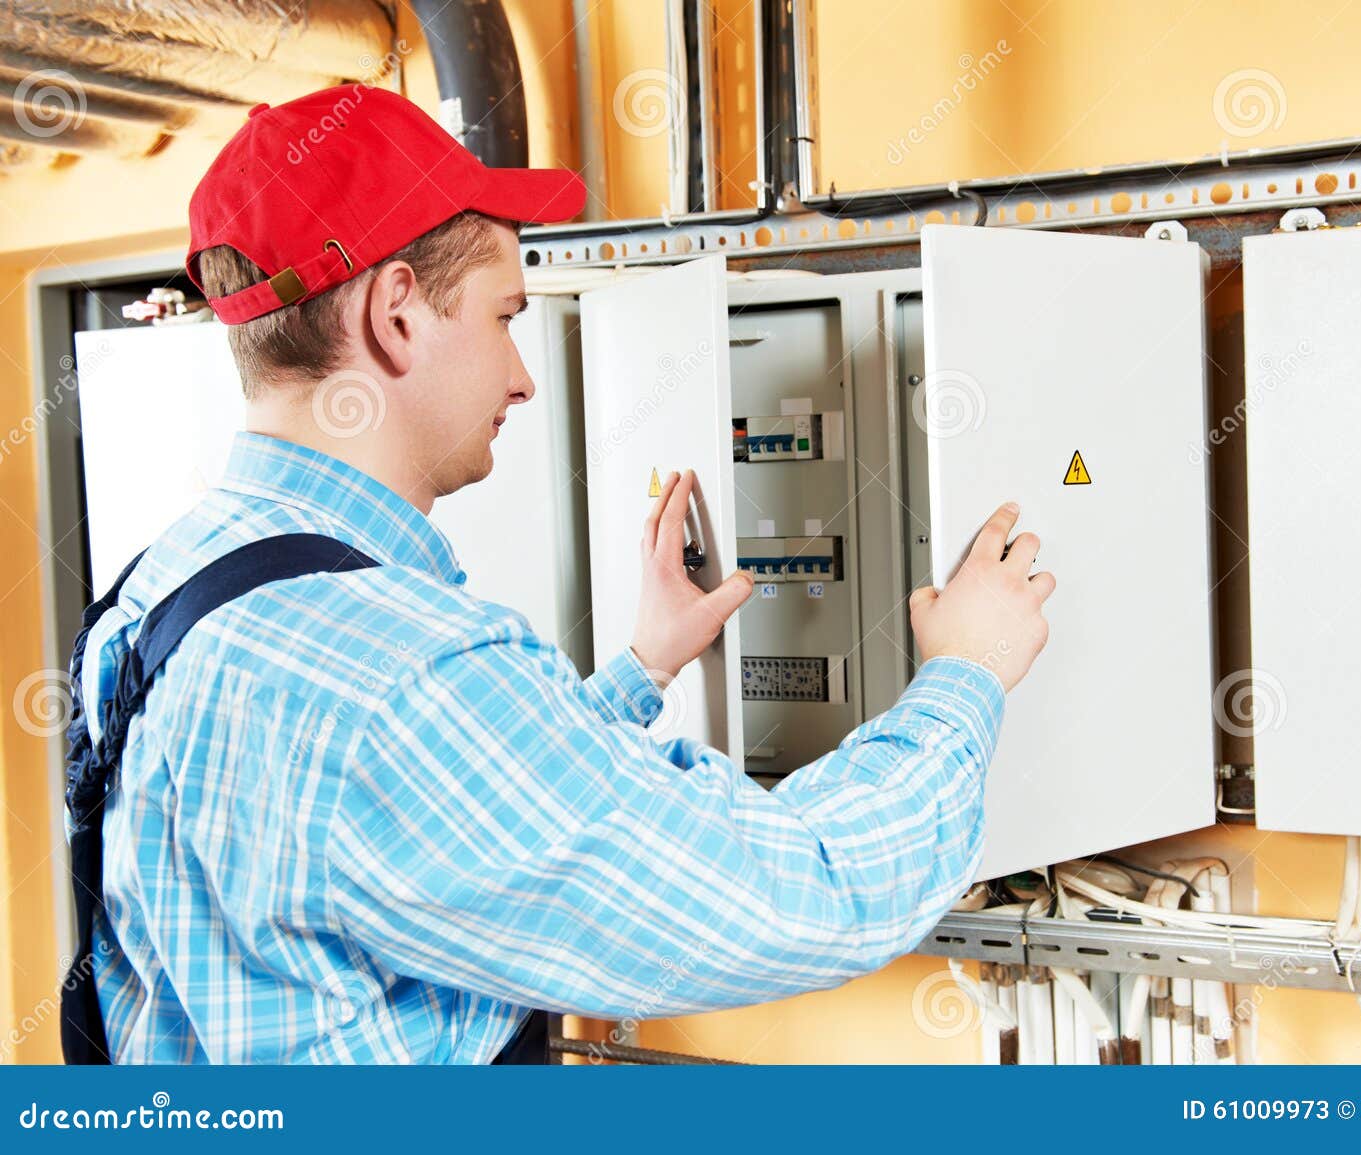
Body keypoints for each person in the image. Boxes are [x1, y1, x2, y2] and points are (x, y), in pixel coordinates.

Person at [67, 85, 1055, 1064]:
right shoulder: (403, 674)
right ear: (397, 314)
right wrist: (966, 673)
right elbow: (806, 899)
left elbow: (413, 829)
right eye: (504, 318)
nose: (523, 376)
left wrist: (643, 668)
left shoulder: (167, 588)